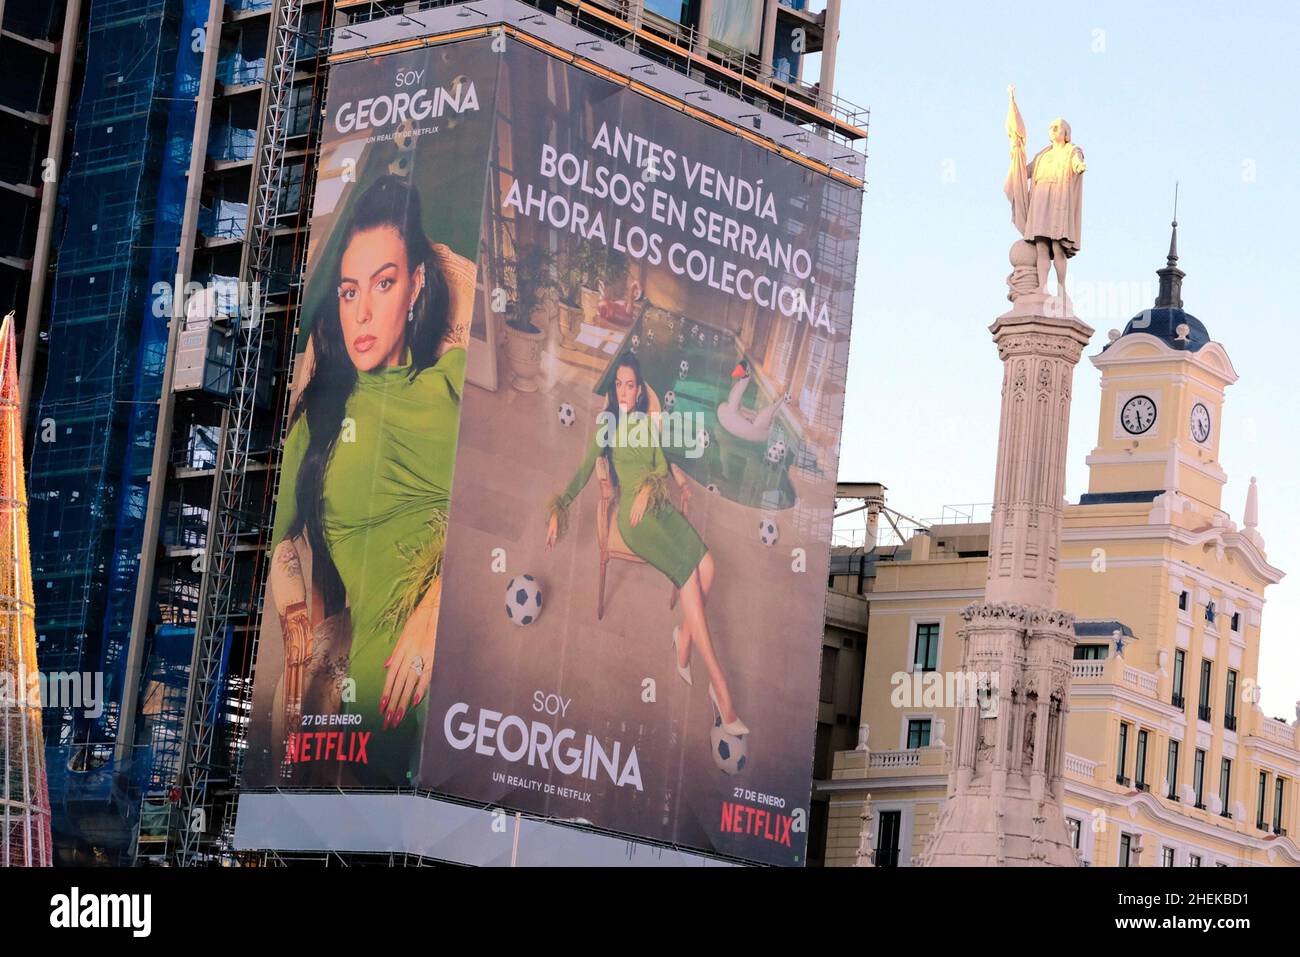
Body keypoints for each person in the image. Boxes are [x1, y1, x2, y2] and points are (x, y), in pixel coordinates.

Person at [268, 174, 465, 783]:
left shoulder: (453, 380)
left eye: (385, 283)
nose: (364, 312)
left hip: (458, 629)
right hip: (385, 684)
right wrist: (299, 632)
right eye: (350, 291)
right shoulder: (320, 420)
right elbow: (275, 547)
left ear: (416, 287)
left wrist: (437, 610)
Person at [545, 355, 749, 738]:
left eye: (630, 385)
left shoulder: (644, 424)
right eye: (619, 384)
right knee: (689, 575)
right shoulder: (608, 426)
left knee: (709, 567)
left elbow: (658, 465)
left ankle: (683, 637)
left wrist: (649, 489)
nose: (624, 391)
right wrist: (559, 507)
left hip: (656, 505)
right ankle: (720, 688)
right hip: (635, 522)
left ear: (639, 391)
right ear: (614, 388)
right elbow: (584, 470)